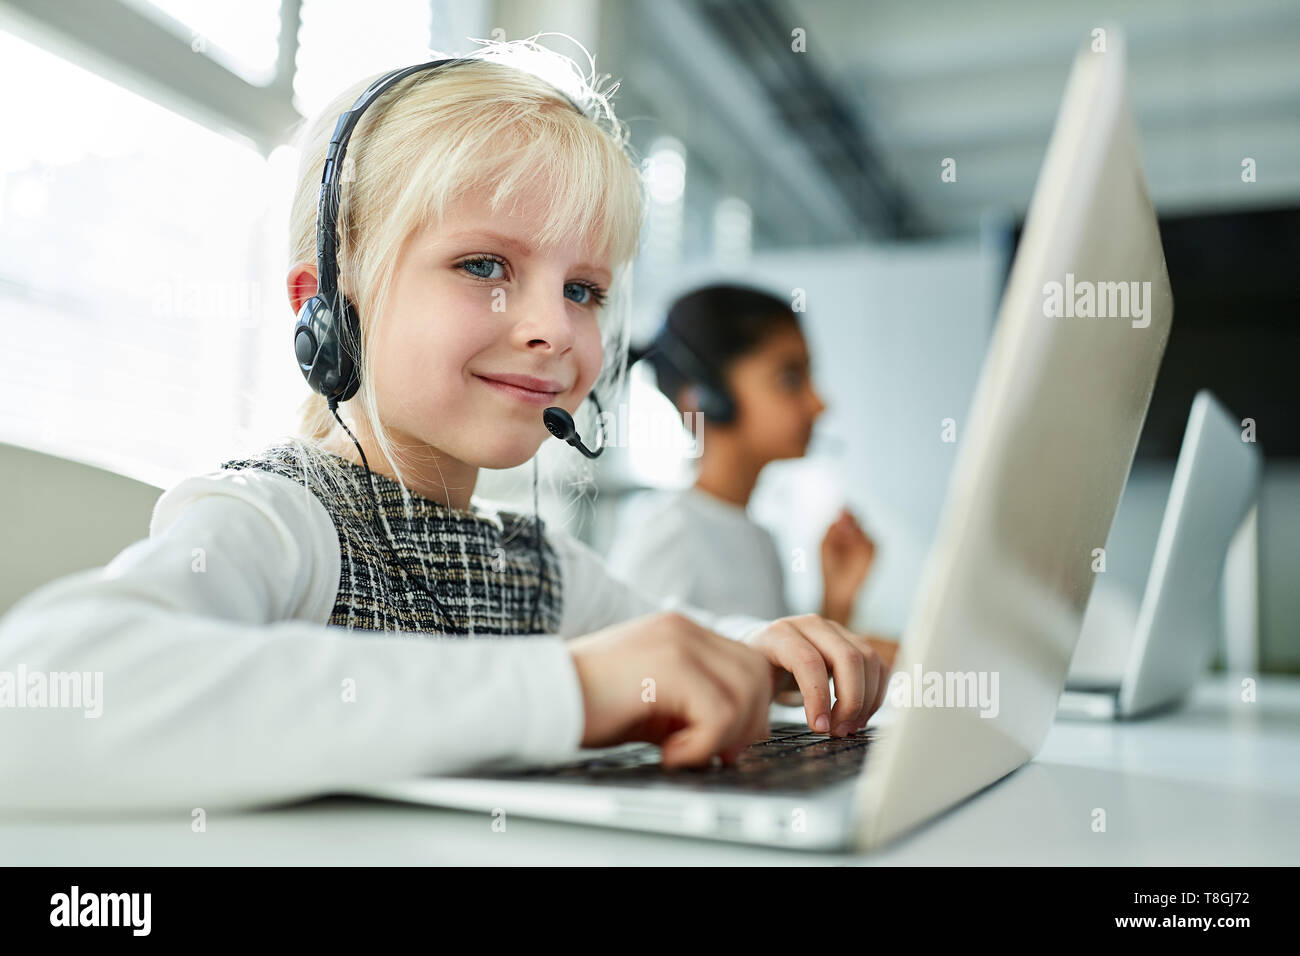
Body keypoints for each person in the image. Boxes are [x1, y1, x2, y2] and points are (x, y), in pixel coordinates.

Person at [0, 42, 890, 813]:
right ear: (327, 306)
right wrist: (572, 688)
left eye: (583, 289)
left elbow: (665, 631)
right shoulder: (282, 520)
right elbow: (41, 693)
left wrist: (758, 650)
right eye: (483, 264)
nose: (552, 326)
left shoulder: (532, 569)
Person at [608, 285, 897, 668]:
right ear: (708, 398)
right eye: (791, 378)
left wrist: (836, 603)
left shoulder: (760, 539)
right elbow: (628, 677)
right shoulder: (668, 534)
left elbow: (777, 682)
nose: (819, 402)